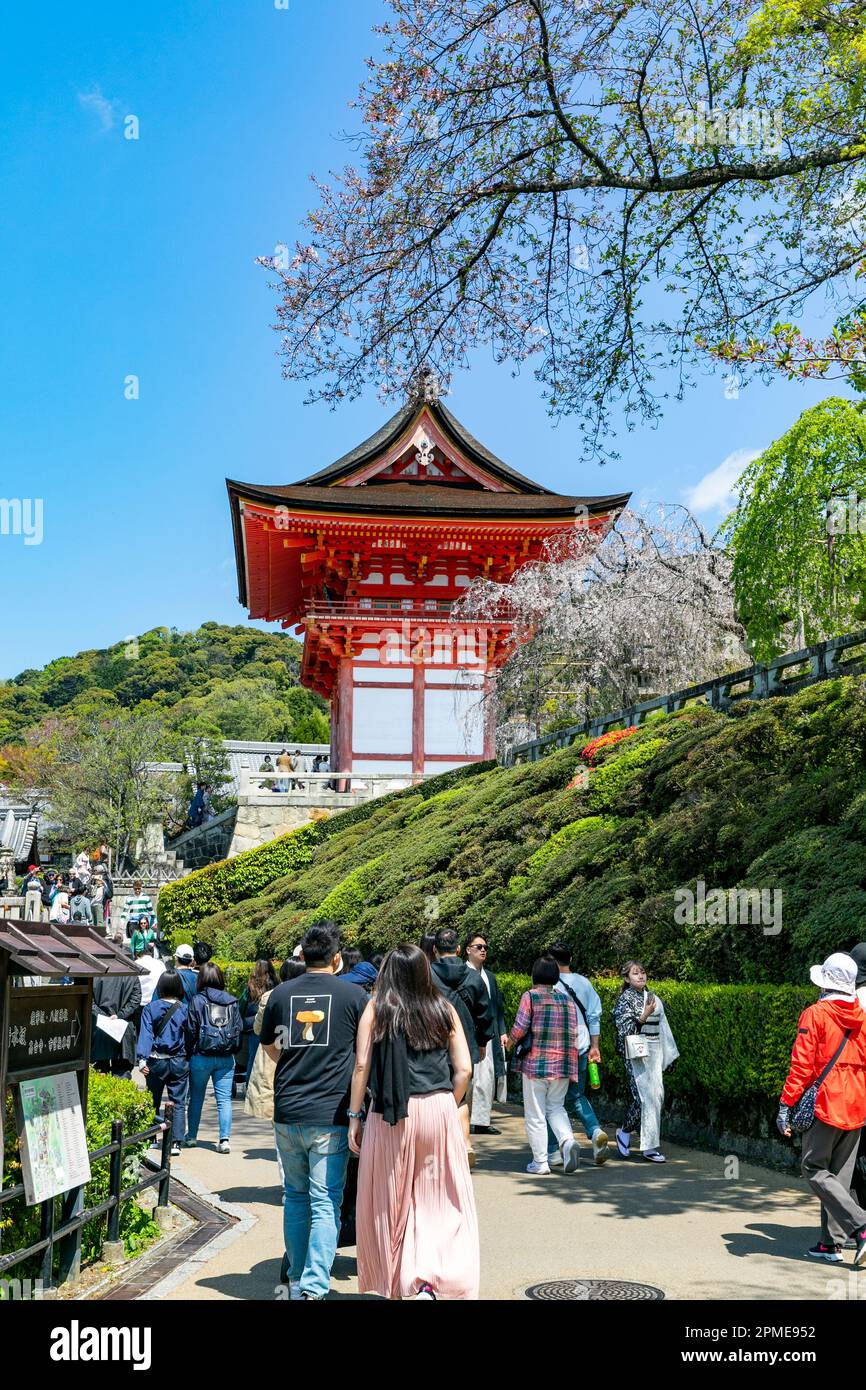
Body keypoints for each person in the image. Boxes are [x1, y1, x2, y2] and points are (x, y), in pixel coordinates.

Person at [350, 942, 479, 1300]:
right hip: (438, 1107)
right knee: (437, 1200)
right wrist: (445, 1105)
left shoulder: (376, 1009)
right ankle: (429, 1280)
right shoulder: (444, 1008)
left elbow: (361, 1065)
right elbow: (464, 1069)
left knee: (393, 1198)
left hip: (392, 1111)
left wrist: (353, 1117)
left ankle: (399, 1282)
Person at [260, 922, 367, 1301]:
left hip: (288, 1108)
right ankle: (315, 1286)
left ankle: (294, 1278)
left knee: (296, 1195)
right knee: (325, 1200)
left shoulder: (280, 994)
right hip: (331, 1111)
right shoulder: (355, 997)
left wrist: (293, 1058)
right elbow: (363, 1059)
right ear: (337, 958)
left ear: (302, 956)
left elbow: (271, 1046)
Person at [777, 952, 866, 1265]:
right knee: (838, 1176)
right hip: (857, 1100)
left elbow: (801, 1065)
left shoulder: (815, 1014)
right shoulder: (862, 1014)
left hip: (826, 1100)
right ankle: (831, 1246)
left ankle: (862, 1226)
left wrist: (786, 1103)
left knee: (814, 1168)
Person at [507, 957, 582, 1175]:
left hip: (536, 1064)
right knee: (556, 1107)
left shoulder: (530, 996)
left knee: (536, 1114)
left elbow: (520, 1027)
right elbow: (573, 1031)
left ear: (535, 974)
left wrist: (510, 1042)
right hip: (563, 1064)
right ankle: (567, 1142)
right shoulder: (567, 1000)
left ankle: (540, 1163)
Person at [431, 927, 495, 1168]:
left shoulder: (427, 976)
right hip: (466, 1044)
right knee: (461, 1099)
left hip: (433, 1046)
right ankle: (466, 1144)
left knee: (434, 1097)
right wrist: (481, 1042)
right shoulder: (473, 978)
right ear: (458, 949)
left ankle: (439, 1149)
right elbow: (485, 1014)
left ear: (435, 950)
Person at [543, 943, 610, 1166]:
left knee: (552, 1100)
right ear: (570, 958)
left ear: (551, 960)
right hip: (581, 1044)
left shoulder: (549, 984)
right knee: (577, 1095)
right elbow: (594, 1016)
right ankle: (595, 1130)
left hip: (557, 1046)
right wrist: (595, 1046)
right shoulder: (584, 983)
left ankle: (553, 1149)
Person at [613, 961, 679, 1163]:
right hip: (636, 1052)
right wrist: (643, 1017)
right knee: (642, 1099)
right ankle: (624, 1132)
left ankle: (649, 1147)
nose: (640, 976)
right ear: (626, 979)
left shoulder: (652, 997)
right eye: (635, 974)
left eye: (642, 972)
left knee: (657, 1096)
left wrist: (670, 1055)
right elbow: (623, 1030)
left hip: (655, 1050)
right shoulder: (625, 999)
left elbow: (664, 1028)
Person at [184, 962, 243, 1154]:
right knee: (224, 1099)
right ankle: (224, 1140)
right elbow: (239, 1029)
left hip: (201, 1056)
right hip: (226, 1057)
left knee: (196, 1098)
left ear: (201, 979)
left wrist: (190, 1051)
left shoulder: (197, 1000)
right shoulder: (232, 1001)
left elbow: (191, 1029)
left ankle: (192, 1136)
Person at [137, 969, 189, 1156]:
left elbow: (146, 1034)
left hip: (156, 1061)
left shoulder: (151, 1008)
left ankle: (152, 1138)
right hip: (179, 1061)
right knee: (178, 1101)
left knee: (153, 1100)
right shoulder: (184, 1009)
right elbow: (190, 1035)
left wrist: (142, 1059)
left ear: (160, 987)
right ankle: (176, 1142)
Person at [464, 933, 508, 1136]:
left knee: (486, 1076)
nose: (483, 950)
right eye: (478, 946)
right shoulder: (462, 973)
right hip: (466, 1034)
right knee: (467, 1077)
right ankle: (463, 1117)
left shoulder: (489, 977)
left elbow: (496, 1008)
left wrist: (502, 1031)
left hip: (488, 1034)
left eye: (485, 947)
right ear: (467, 949)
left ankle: (481, 1121)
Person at [91, 968, 142, 1079]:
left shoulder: (97, 973)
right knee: (122, 1072)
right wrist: (120, 1015)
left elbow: (90, 1000)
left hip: (100, 1029)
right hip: (124, 1028)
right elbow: (135, 1000)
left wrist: (103, 1015)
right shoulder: (132, 975)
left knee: (100, 1072)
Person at [239, 959, 279, 1085]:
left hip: (253, 1027)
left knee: (252, 1057)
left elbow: (241, 1005)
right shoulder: (276, 984)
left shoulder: (250, 986)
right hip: (272, 1025)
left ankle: (249, 1085)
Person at [134, 939, 166, 1009]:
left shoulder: (136, 963)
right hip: (157, 1002)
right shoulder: (160, 964)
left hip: (139, 1002)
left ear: (139, 955)